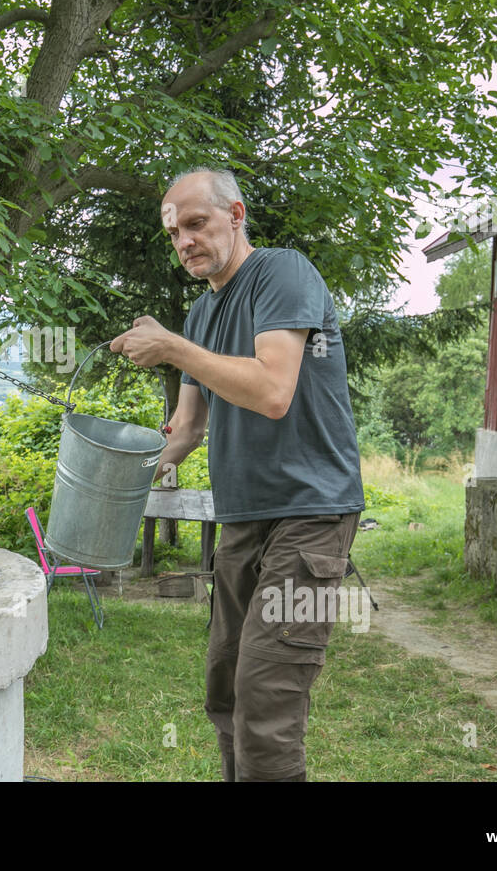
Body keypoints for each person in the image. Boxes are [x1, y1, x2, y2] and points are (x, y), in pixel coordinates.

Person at [109, 168, 365, 782]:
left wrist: (172, 349)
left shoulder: (281, 273)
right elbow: (189, 428)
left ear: (236, 214)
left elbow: (274, 390)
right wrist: (119, 475)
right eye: (175, 235)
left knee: (266, 692)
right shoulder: (201, 316)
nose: (186, 243)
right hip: (243, 520)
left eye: (197, 224)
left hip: (311, 513)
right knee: (225, 681)